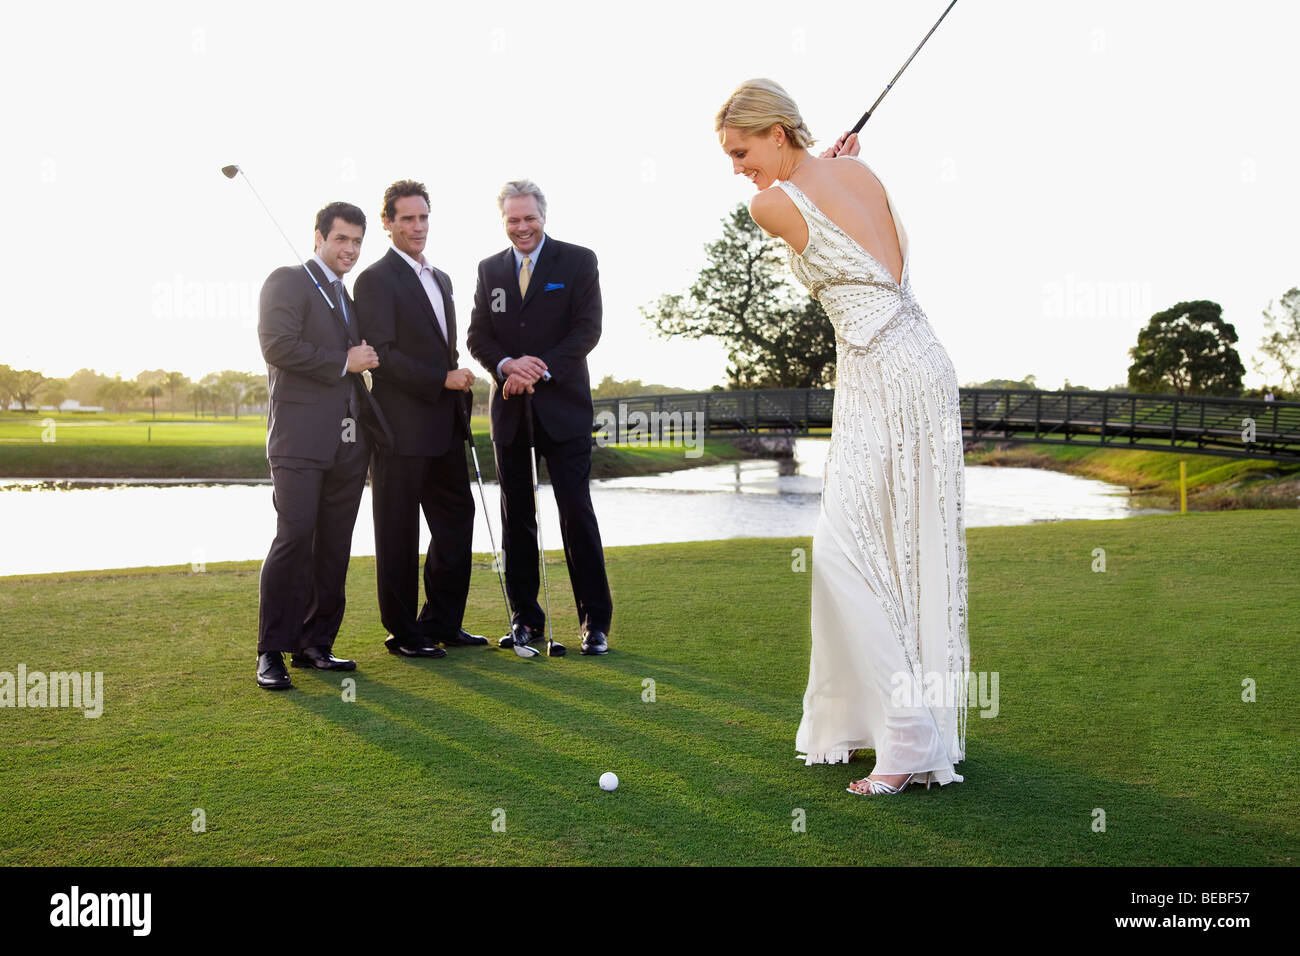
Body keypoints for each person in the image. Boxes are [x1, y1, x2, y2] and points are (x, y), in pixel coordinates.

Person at [717, 78, 969, 794]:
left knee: (841, 551)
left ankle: (909, 734)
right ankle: (892, 725)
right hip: (918, 359)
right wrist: (819, 163)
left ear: (775, 131)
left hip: (883, 367)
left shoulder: (771, 203)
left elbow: (799, 205)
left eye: (741, 151)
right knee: (897, 542)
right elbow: (837, 208)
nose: (738, 169)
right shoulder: (860, 170)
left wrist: (804, 171)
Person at [466, 180, 612, 656]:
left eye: (529, 218)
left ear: (543, 217)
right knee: (517, 521)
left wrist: (538, 368)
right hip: (510, 410)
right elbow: (477, 337)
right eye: (513, 219)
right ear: (503, 220)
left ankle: (594, 624)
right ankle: (525, 620)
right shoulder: (490, 270)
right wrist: (507, 366)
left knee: (576, 515)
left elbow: (586, 330)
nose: (522, 227)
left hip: (564, 409)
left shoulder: (577, 260)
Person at [255, 201, 388, 690]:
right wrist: (344, 360)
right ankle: (271, 651)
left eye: (357, 241)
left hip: (348, 443)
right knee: (293, 541)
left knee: (334, 546)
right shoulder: (287, 280)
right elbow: (277, 344)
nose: (349, 249)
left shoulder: (346, 297)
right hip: (298, 441)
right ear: (318, 237)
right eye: (341, 239)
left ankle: (315, 644)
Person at [353, 179, 487, 658]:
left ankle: (443, 622)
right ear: (387, 223)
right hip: (399, 429)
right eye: (406, 218)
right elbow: (382, 356)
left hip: (445, 426)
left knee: (457, 520)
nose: (417, 226)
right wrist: (442, 378)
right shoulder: (374, 279)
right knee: (398, 530)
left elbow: (442, 346)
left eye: (423, 217)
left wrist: (455, 380)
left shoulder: (442, 278)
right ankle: (404, 632)